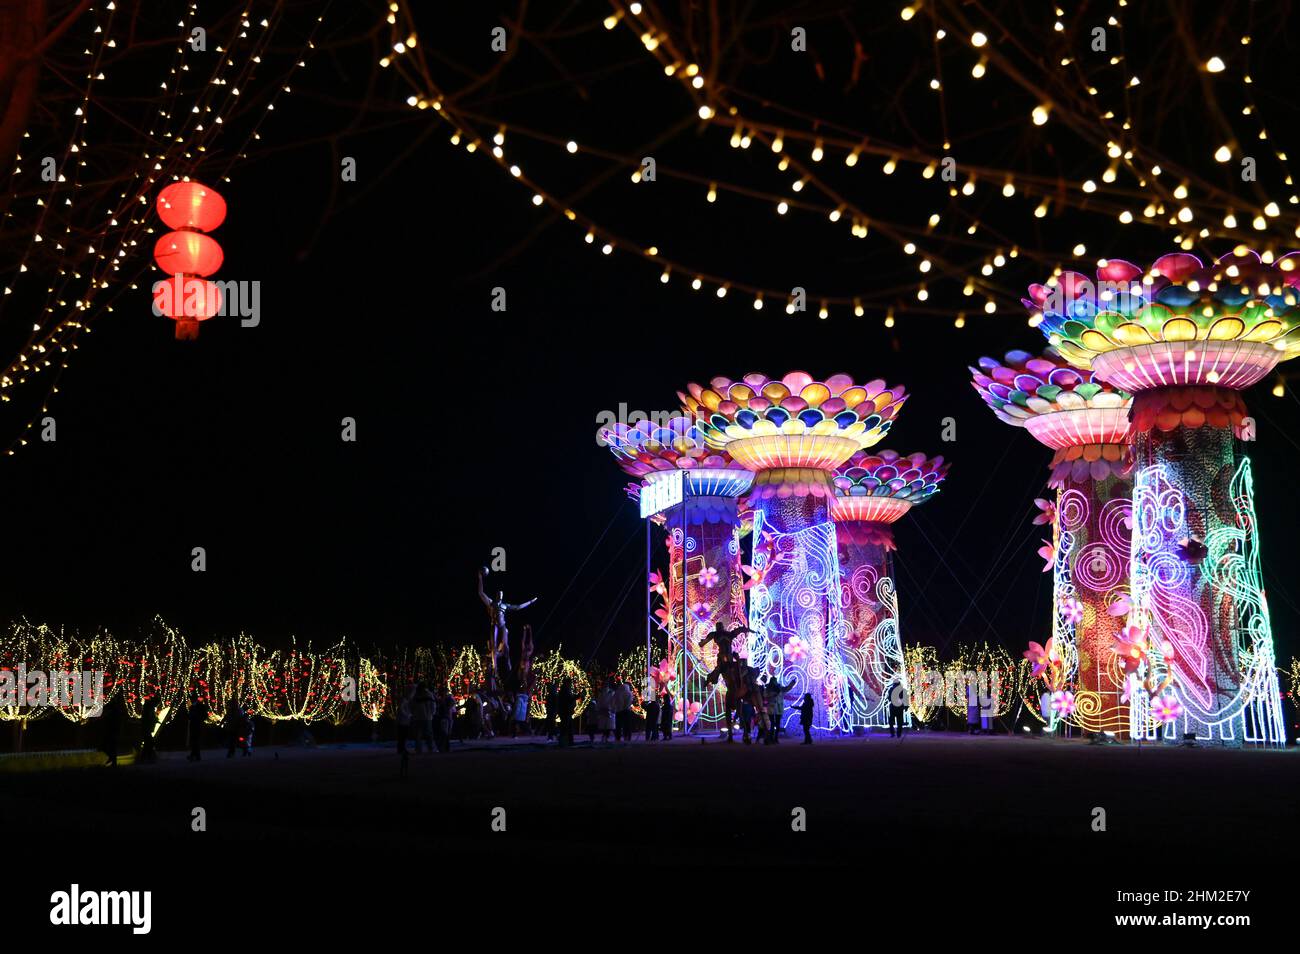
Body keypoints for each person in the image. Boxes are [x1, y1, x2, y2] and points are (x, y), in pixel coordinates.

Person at [410, 682, 435, 753]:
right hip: (427, 717)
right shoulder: (429, 694)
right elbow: (433, 705)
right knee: (428, 734)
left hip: (418, 717)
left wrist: (413, 714)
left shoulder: (415, 695)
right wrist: (431, 714)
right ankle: (430, 748)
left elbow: (412, 706)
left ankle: (418, 749)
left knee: (418, 734)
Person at [101, 694, 125, 767]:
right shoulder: (115, 712)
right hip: (112, 731)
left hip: (111, 731)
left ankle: (112, 761)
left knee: (110, 747)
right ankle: (112, 761)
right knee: (111, 747)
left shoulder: (112, 712)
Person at [186, 695, 207, 761]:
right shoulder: (200, 706)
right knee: (196, 740)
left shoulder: (193, 707)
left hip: (194, 724)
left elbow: (189, 716)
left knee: (194, 740)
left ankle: (195, 755)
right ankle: (195, 755)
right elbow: (205, 715)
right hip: (198, 724)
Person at [556, 678, 575, 747]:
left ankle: (567, 741)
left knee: (566, 726)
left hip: (565, 711)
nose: (571, 684)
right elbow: (568, 699)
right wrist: (576, 697)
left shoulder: (564, 689)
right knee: (566, 726)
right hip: (565, 711)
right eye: (570, 683)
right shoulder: (565, 690)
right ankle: (566, 741)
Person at [395, 682, 414, 756]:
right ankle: (401, 749)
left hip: (404, 720)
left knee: (403, 735)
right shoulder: (404, 700)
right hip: (402, 721)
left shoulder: (406, 700)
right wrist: (408, 715)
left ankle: (401, 748)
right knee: (402, 735)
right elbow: (401, 709)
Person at [138, 698, 158, 764]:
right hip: (147, 729)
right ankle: (146, 757)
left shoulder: (147, 708)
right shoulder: (149, 709)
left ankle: (145, 757)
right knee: (149, 743)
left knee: (148, 743)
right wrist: (154, 720)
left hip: (146, 729)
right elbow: (149, 718)